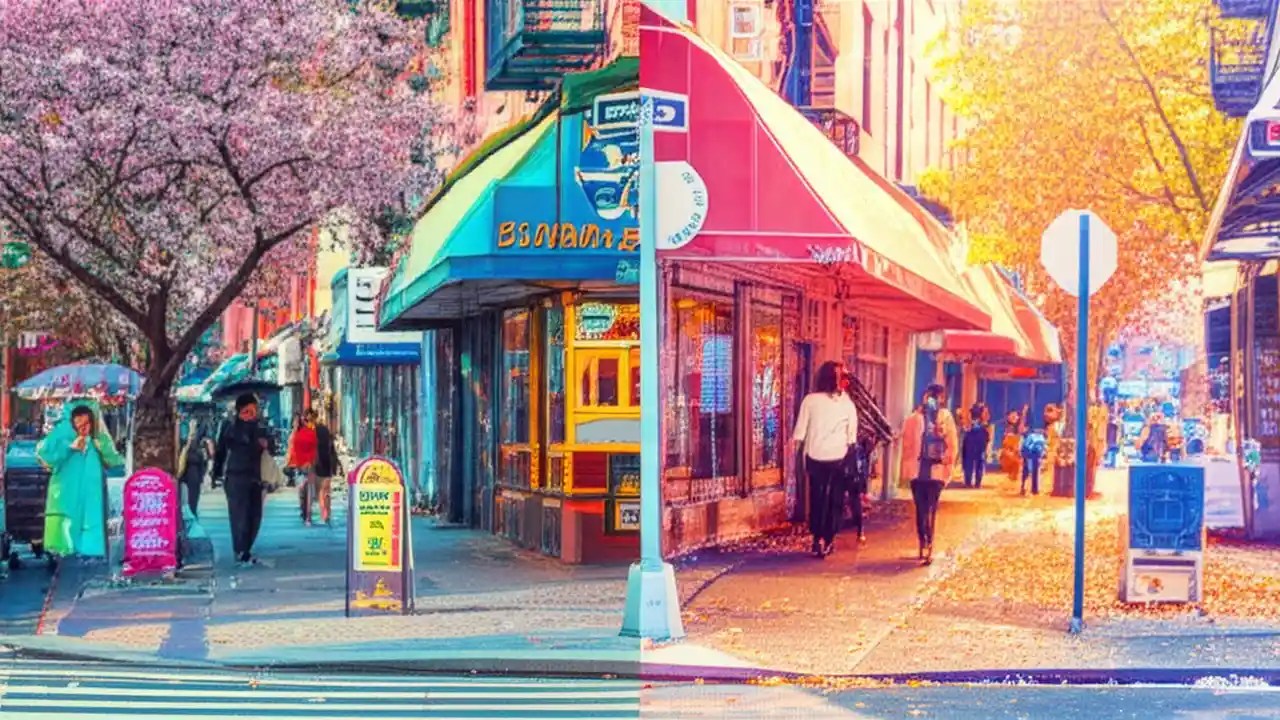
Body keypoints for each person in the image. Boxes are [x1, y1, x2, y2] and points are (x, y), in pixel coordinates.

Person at [36, 400, 124, 561]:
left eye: (87, 422)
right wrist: (69, 448)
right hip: (74, 489)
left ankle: (83, 551)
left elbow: (114, 460)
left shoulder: (94, 436)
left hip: (82, 490)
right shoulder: (65, 433)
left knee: (84, 523)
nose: (83, 426)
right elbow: (45, 454)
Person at [792, 361, 859, 558]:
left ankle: (817, 536)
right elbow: (852, 436)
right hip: (839, 456)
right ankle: (829, 537)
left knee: (817, 496)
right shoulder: (847, 403)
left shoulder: (809, 401)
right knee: (835, 499)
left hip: (815, 456)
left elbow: (799, 434)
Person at [213, 393, 277, 566]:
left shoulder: (261, 427)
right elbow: (220, 451)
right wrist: (216, 474)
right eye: (249, 409)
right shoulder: (230, 426)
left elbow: (272, 448)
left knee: (254, 516)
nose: (253, 412)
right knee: (238, 515)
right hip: (235, 476)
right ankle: (240, 550)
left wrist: (267, 444)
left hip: (256, 477)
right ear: (241, 410)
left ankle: (246, 548)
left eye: (255, 409)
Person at [899, 384, 958, 565]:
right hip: (937, 471)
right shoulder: (945, 418)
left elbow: (906, 446)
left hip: (917, 472)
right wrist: (948, 469)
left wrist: (906, 469)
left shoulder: (912, 419)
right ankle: (929, 545)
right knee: (932, 508)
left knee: (921, 508)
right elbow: (952, 445)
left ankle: (922, 542)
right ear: (941, 398)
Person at [308, 409, 341, 526]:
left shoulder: (312, 432)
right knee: (326, 490)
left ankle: (324, 514)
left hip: (318, 463)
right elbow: (332, 448)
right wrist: (337, 464)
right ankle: (328, 513)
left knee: (321, 491)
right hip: (328, 461)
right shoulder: (325, 430)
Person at [177, 419, 214, 518]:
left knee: (190, 496)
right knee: (190, 496)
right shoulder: (183, 429)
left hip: (191, 465)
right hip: (190, 465)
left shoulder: (184, 428)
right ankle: (190, 514)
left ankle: (190, 514)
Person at [287, 412, 319, 525]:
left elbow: (313, 448)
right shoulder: (294, 434)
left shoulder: (304, 433)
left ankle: (308, 515)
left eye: (297, 421)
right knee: (303, 489)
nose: (295, 423)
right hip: (300, 465)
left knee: (307, 489)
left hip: (306, 464)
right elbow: (291, 451)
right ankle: (305, 512)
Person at [961, 402, 991, 489]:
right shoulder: (977, 423)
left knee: (971, 462)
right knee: (976, 462)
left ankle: (970, 482)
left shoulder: (974, 422)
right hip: (975, 442)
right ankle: (974, 483)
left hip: (973, 442)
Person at [1020, 425, 1048, 495]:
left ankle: (1031, 489)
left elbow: (1043, 447)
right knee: (1030, 473)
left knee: (1031, 473)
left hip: (1033, 457)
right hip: (1032, 457)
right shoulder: (1034, 437)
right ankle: (1028, 489)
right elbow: (1043, 448)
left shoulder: (1036, 437)